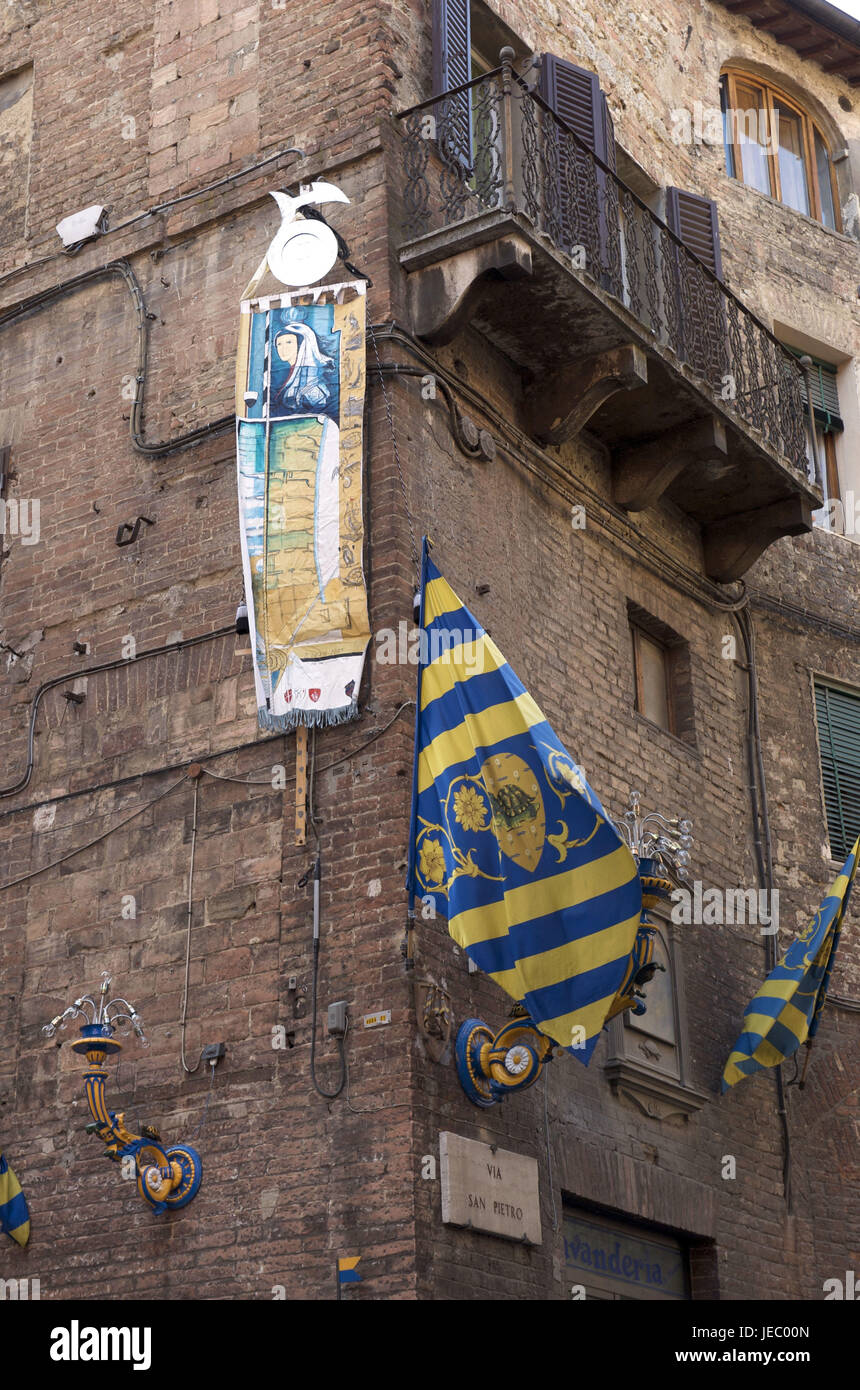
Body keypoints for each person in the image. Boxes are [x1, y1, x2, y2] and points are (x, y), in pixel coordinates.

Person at [271, 321, 334, 413]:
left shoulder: (310, 378)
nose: (283, 348)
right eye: (279, 344)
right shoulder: (286, 375)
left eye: (289, 342)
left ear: (301, 346)